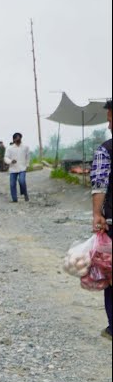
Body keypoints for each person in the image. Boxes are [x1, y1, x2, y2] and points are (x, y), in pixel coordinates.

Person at [91, 100, 112, 340]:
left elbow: (100, 184)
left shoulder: (106, 150)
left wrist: (97, 214)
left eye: (109, 119)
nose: (108, 125)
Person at [6, 132, 31, 202]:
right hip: (13, 169)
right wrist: (10, 161)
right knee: (12, 184)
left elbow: (28, 157)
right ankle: (14, 199)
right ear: (13, 140)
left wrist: (27, 165)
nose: (18, 141)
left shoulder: (25, 147)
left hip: (22, 168)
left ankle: (25, 194)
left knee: (22, 181)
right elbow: (6, 157)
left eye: (19, 139)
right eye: (16, 139)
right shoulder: (9, 148)